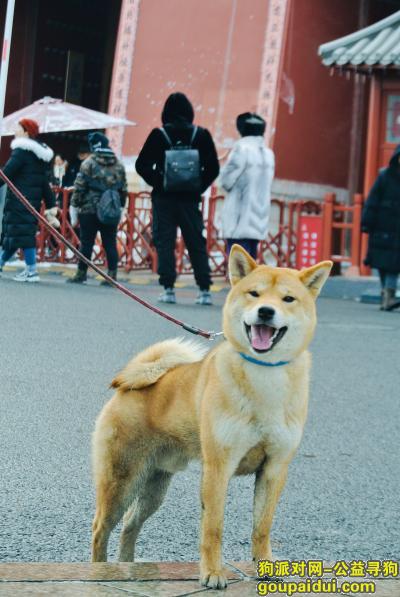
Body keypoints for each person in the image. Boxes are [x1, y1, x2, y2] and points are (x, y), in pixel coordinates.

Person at [135, 92, 219, 305]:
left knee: (165, 242)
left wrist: (160, 181)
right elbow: (213, 168)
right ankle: (204, 290)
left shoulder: (159, 134)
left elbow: (141, 165)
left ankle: (168, 288)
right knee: (195, 242)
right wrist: (198, 186)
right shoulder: (201, 135)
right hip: (190, 200)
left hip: (164, 199)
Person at [67, 132, 127, 285]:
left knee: (86, 242)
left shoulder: (89, 163)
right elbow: (123, 189)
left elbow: (80, 187)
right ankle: (112, 275)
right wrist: (120, 206)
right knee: (110, 243)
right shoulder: (118, 164)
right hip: (110, 209)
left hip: (89, 210)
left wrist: (74, 205)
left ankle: (81, 273)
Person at [0, 118, 55, 282]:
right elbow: (44, 182)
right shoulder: (38, 155)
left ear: (26, 132)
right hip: (31, 201)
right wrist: (51, 203)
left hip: (19, 200)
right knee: (16, 235)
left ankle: (32, 271)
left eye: (18, 128)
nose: (15, 131)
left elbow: (6, 173)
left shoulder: (21, 151)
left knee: (23, 236)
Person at [219, 112, 275, 260]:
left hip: (239, 218)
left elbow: (226, 181)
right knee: (251, 264)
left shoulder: (241, 149)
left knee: (237, 266)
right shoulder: (269, 154)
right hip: (259, 218)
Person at [362, 144, 400, 311]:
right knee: (382, 263)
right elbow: (372, 201)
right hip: (382, 226)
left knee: (394, 264)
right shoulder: (385, 176)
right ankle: (386, 295)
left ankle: (388, 296)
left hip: (397, 231)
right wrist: (367, 222)